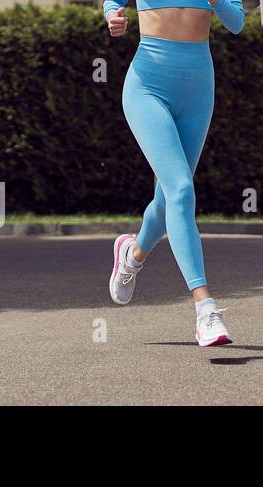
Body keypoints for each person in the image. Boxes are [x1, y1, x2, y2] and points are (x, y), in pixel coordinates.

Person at [103, 0, 245, 347]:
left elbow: (237, 21)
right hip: (148, 87)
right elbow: (113, 1)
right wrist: (112, 17)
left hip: (197, 89)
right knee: (181, 189)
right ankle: (205, 308)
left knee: (168, 197)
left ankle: (132, 255)